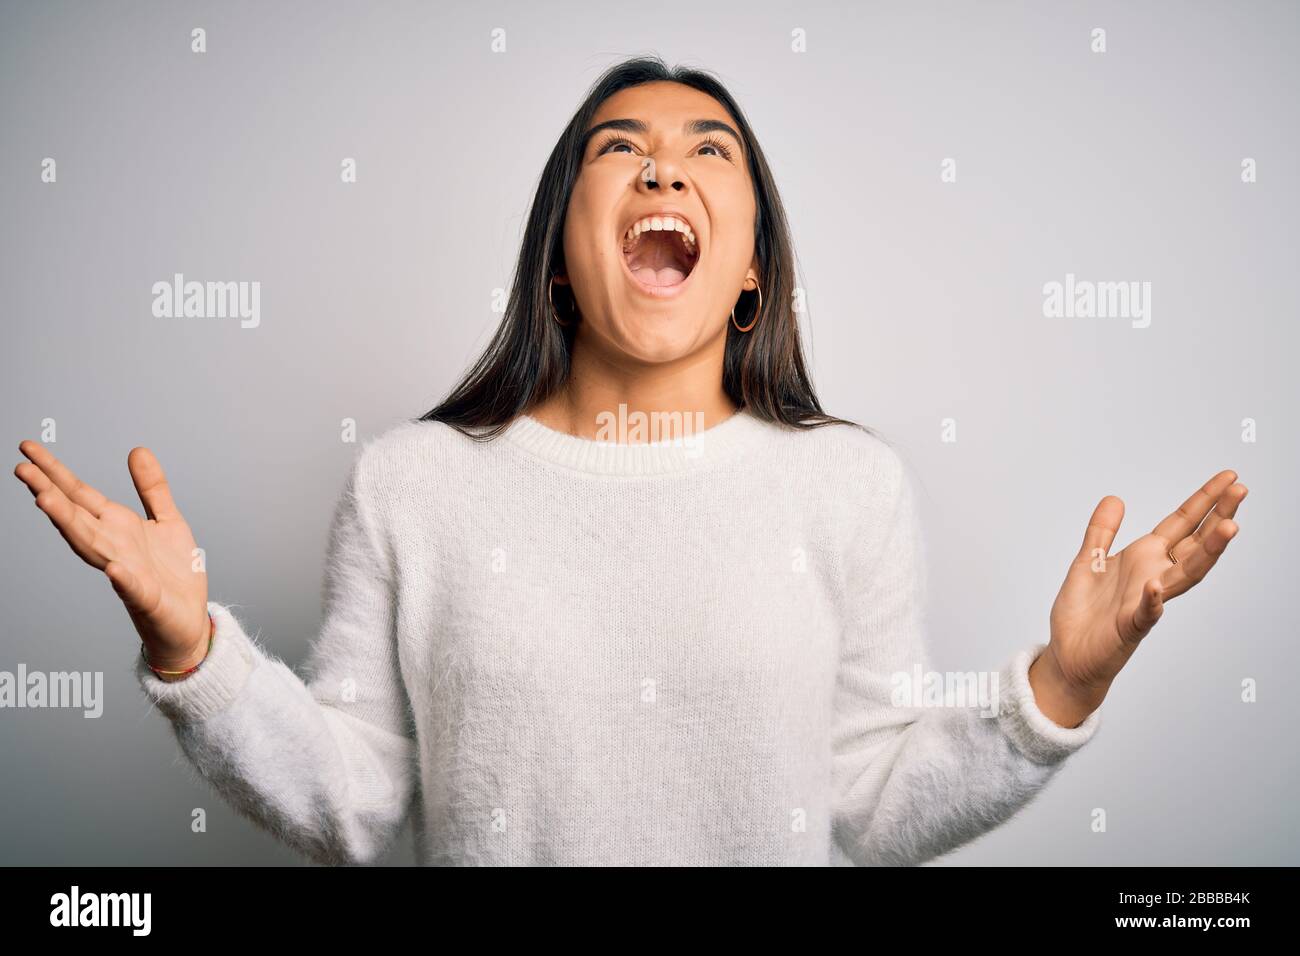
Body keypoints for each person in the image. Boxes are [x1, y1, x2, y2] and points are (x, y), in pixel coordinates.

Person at [12, 56, 1246, 866]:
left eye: (710, 150)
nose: (664, 164)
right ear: (559, 254)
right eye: (622, 147)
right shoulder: (411, 484)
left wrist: (1058, 689)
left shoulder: (848, 486)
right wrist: (195, 651)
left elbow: (867, 799)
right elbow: (353, 795)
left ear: (754, 265)